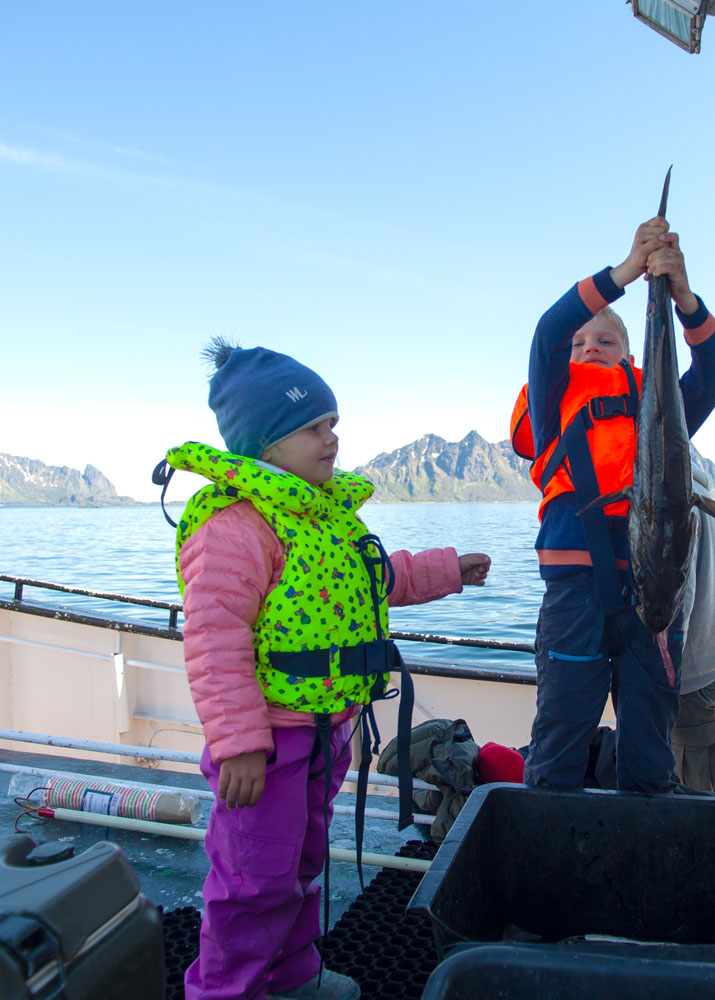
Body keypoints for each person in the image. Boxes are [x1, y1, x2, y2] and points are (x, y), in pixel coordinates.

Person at [165, 343, 490, 1000]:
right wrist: (240, 744)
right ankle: (227, 993)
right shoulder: (236, 526)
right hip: (269, 743)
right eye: (314, 427)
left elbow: (379, 577)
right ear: (265, 442)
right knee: (251, 883)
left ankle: (291, 976)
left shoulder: (330, 518)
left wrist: (447, 570)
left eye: (333, 424)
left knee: (303, 866)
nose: (332, 438)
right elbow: (213, 639)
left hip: (327, 735)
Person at [510, 216, 715, 793]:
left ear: (630, 356)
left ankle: (647, 829)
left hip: (653, 596)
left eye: (606, 341)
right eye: (580, 343)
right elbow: (547, 331)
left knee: (650, 742)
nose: (589, 348)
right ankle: (550, 833)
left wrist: (682, 296)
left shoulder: (655, 403)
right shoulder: (552, 397)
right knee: (561, 729)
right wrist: (627, 273)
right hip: (576, 595)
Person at [670, 456, 715, 795]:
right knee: (711, 780)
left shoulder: (678, 497)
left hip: (695, 675)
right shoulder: (698, 490)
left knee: (702, 796)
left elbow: (681, 596)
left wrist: (665, 664)